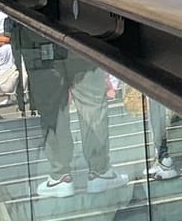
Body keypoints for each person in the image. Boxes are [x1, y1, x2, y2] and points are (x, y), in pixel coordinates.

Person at [23, 31, 130, 198]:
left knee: (52, 109)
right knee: (92, 103)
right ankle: (99, 171)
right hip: (79, 32)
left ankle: (61, 176)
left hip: (38, 37)